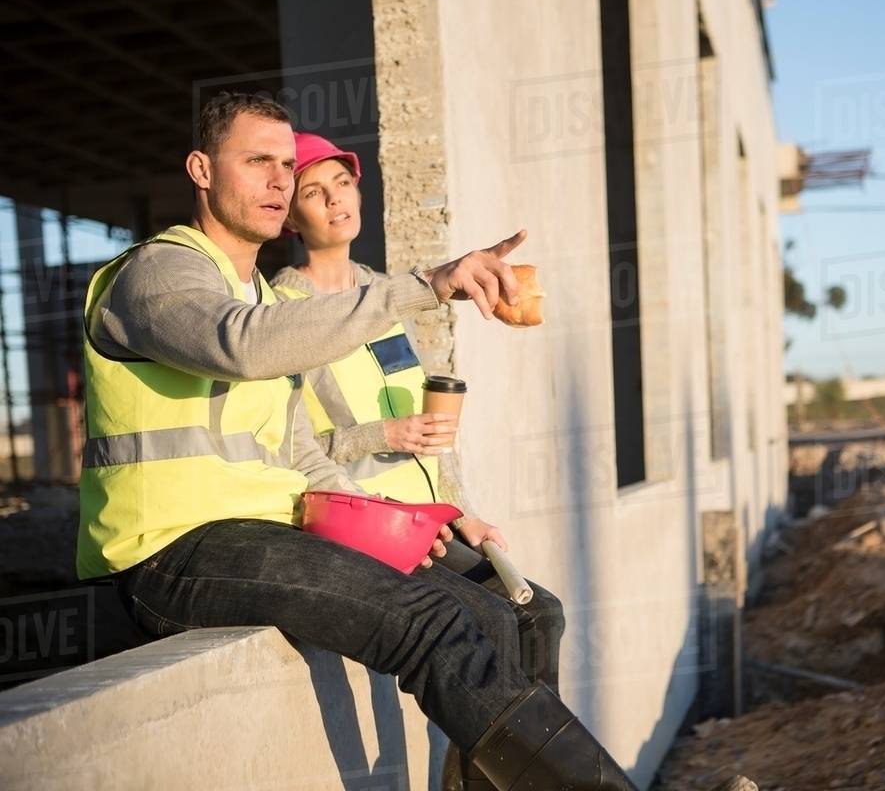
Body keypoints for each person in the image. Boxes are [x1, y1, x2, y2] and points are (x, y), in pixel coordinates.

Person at [79, 92, 636, 790]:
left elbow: (299, 450)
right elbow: (243, 348)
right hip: (168, 548)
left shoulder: (260, 297)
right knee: (429, 621)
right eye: (258, 162)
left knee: (497, 615)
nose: (279, 181)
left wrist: (389, 522)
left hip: (265, 530)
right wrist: (427, 285)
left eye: (287, 165)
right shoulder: (158, 272)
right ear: (200, 168)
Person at [271, 132, 566, 789]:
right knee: (511, 619)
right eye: (313, 193)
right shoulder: (284, 311)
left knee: (538, 613)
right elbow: (294, 450)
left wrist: (463, 512)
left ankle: (500, 779)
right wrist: (382, 434)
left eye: (341, 184)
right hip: (365, 526)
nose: (334, 201)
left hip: (428, 522)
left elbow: (430, 429)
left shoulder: (383, 292)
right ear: (291, 217)